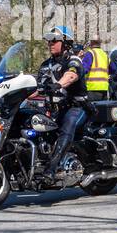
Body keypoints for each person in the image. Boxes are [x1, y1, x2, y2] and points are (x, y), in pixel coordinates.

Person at [37, 29, 90, 181]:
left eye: (54, 41)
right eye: (49, 41)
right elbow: (37, 88)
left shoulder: (73, 60)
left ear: (65, 43)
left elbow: (71, 75)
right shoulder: (46, 65)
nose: (50, 44)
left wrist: (58, 85)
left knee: (67, 127)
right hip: (54, 109)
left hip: (77, 106)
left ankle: (51, 168)